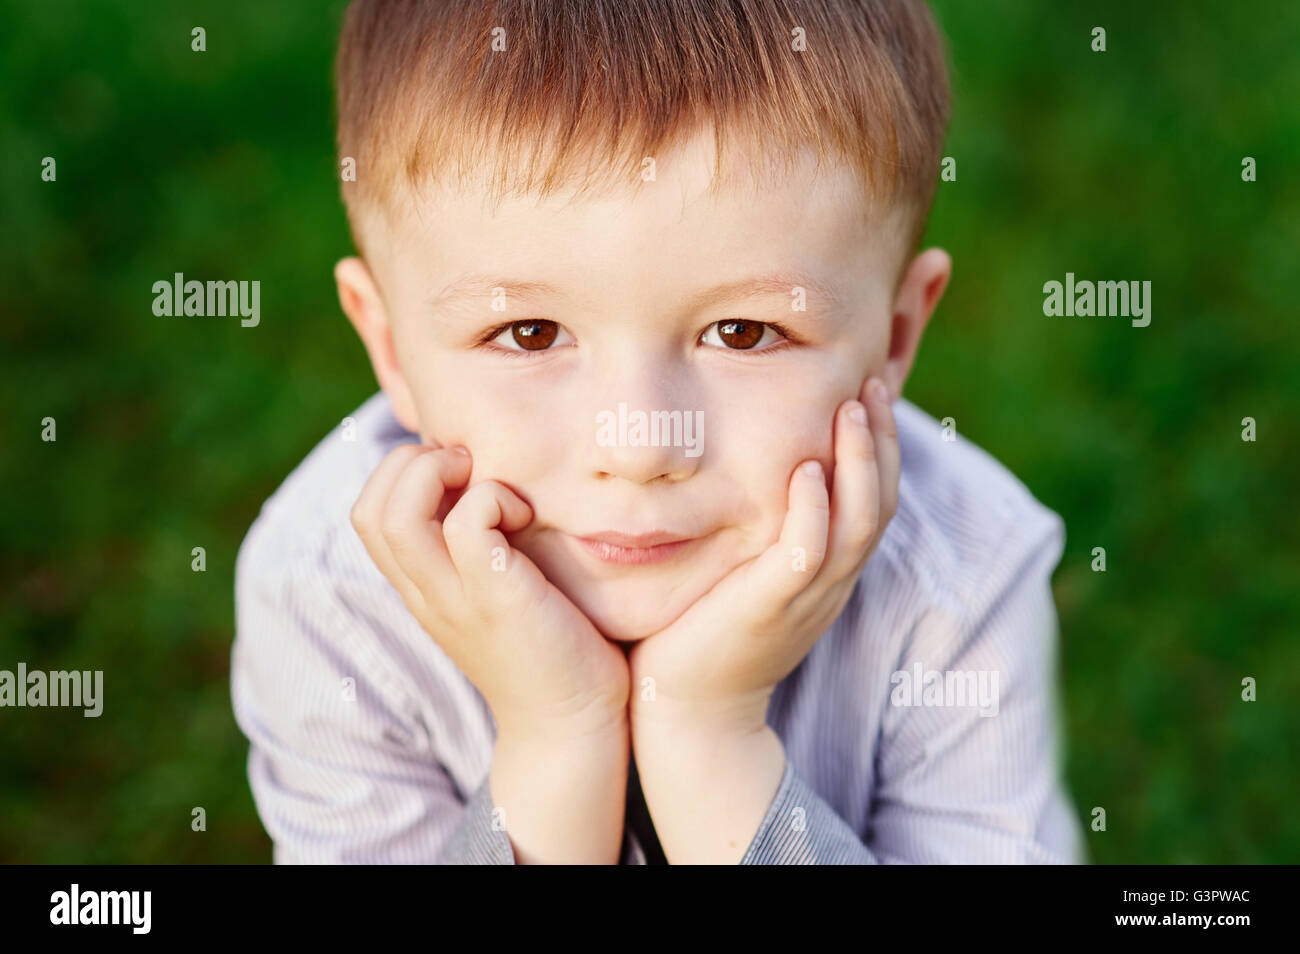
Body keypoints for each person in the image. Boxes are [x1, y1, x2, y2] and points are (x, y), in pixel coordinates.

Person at [231, 0, 1082, 864]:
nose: (638, 445)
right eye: (528, 333)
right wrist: (556, 736)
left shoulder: (963, 578)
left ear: (896, 337)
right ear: (390, 346)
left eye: (744, 333)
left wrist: (708, 735)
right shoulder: (325, 594)